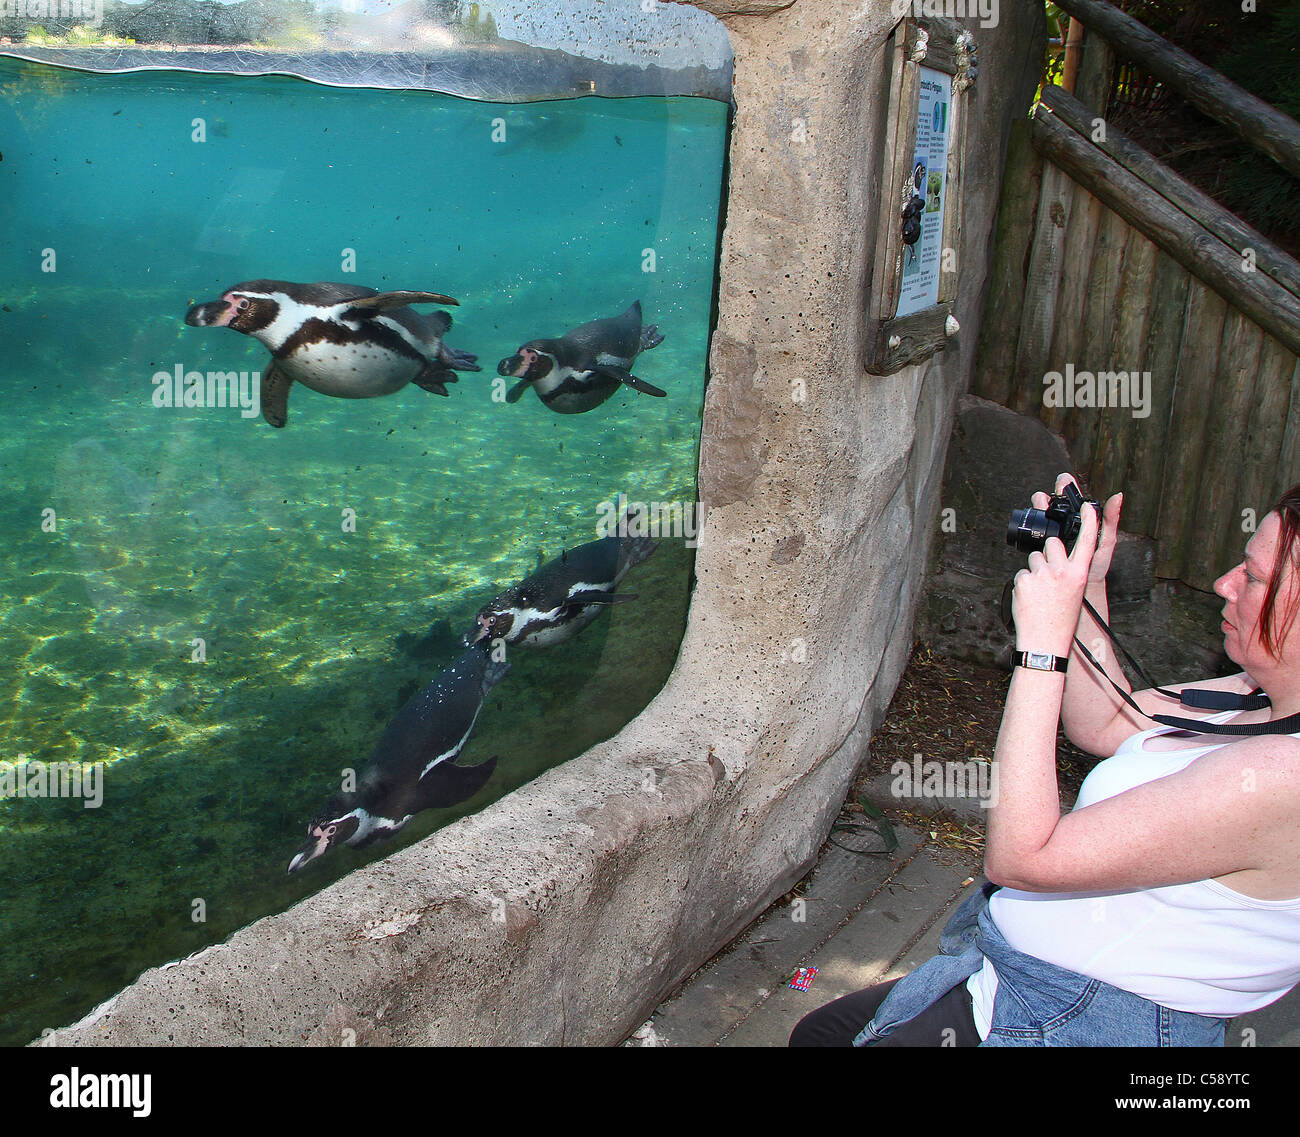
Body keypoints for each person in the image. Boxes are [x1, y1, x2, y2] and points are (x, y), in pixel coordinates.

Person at [791, 474, 1300, 1046]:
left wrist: (1041, 652)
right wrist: (1086, 592)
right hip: (1013, 977)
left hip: (1076, 1021)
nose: (1223, 583)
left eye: (1254, 577)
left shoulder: (1282, 776)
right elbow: (1108, 723)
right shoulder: (1262, 697)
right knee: (823, 1033)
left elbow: (1022, 860)